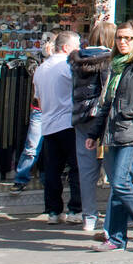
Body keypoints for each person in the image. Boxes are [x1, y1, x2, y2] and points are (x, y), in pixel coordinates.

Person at [86, 21, 133, 251]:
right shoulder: (115, 64)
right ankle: (116, 239)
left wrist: (127, 111)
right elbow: (107, 102)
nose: (123, 42)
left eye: (129, 38)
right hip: (113, 132)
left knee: (120, 181)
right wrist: (94, 133)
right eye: (119, 38)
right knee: (119, 186)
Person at [71, 22, 114, 236]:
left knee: (86, 171)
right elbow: (108, 91)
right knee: (113, 166)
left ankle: (89, 216)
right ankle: (114, 215)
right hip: (103, 119)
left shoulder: (77, 60)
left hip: (81, 117)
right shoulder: (108, 60)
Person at [35, 30, 82, 225]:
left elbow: (37, 98)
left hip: (48, 124)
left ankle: (54, 211)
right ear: (66, 47)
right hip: (68, 123)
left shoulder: (41, 69)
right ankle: (75, 209)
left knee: (52, 170)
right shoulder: (69, 67)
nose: (79, 50)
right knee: (76, 169)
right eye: (77, 46)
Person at [11, 33, 56, 191]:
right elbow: (35, 74)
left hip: (57, 110)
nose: (48, 45)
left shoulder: (64, 61)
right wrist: (49, 58)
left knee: (52, 148)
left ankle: (47, 180)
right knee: (32, 146)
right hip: (40, 109)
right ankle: (21, 179)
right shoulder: (35, 60)